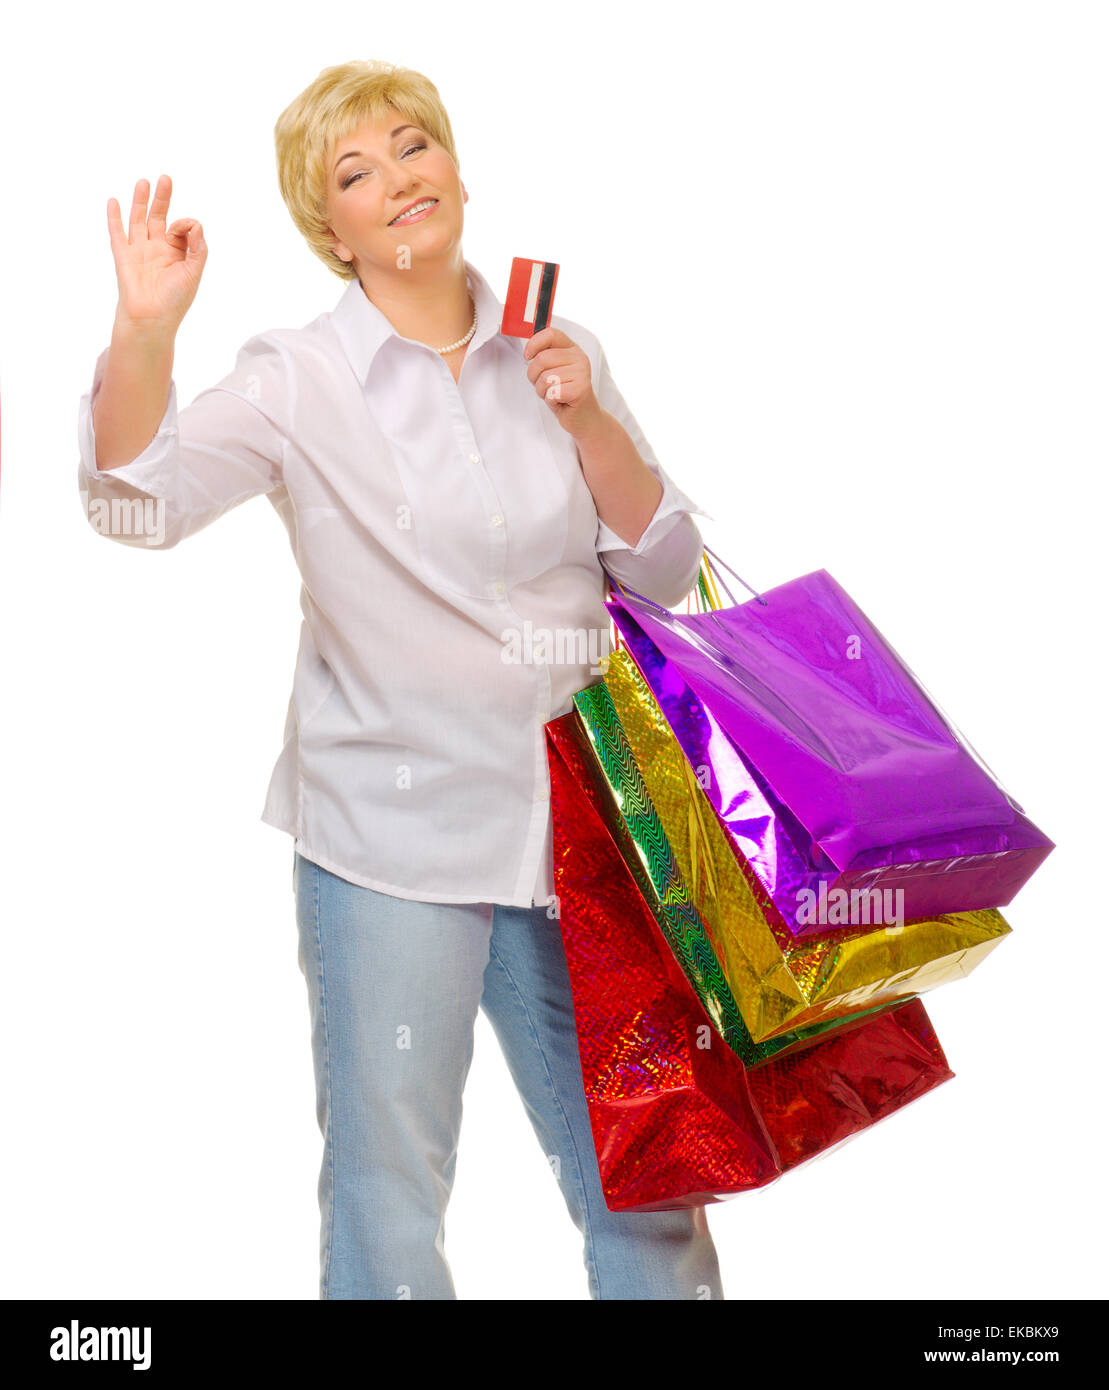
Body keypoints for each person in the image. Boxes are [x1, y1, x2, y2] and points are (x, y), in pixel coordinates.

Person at [77, 58, 723, 1300]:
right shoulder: (293, 377)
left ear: (457, 170)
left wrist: (588, 421)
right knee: (389, 1201)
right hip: (388, 844)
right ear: (331, 229)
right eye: (354, 173)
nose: (396, 180)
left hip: (582, 835)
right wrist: (144, 335)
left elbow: (664, 572)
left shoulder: (552, 341)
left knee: (646, 1181)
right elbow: (134, 504)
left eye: (411, 146)